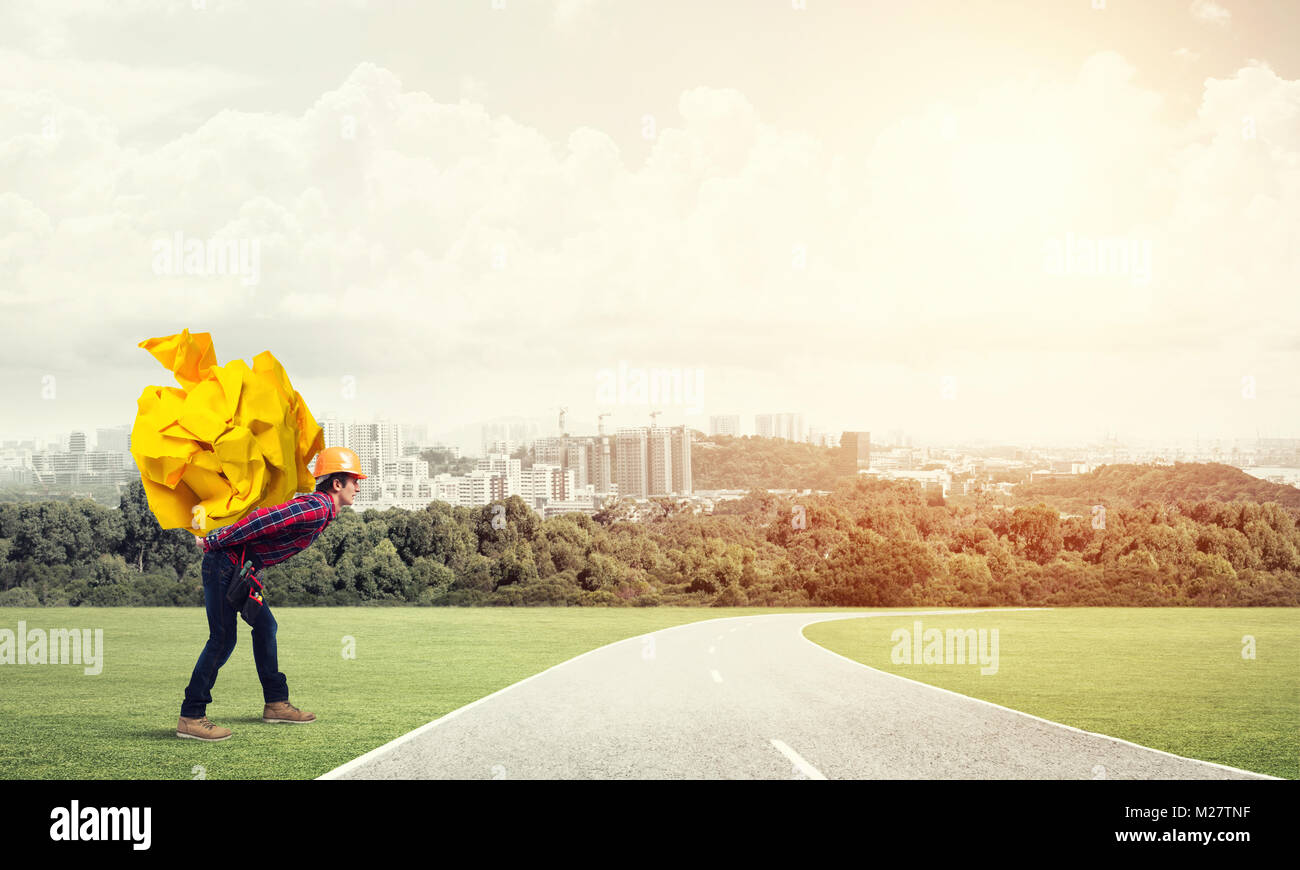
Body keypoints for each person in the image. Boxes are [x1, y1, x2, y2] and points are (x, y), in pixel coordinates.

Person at [175, 446, 366, 742]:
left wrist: (254, 573)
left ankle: (276, 704)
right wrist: (214, 541)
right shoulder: (316, 507)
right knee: (222, 639)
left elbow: (267, 538)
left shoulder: (323, 511)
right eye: (354, 480)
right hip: (225, 563)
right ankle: (191, 716)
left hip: (240, 568)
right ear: (337, 484)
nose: (358, 486)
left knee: (266, 626)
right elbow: (262, 520)